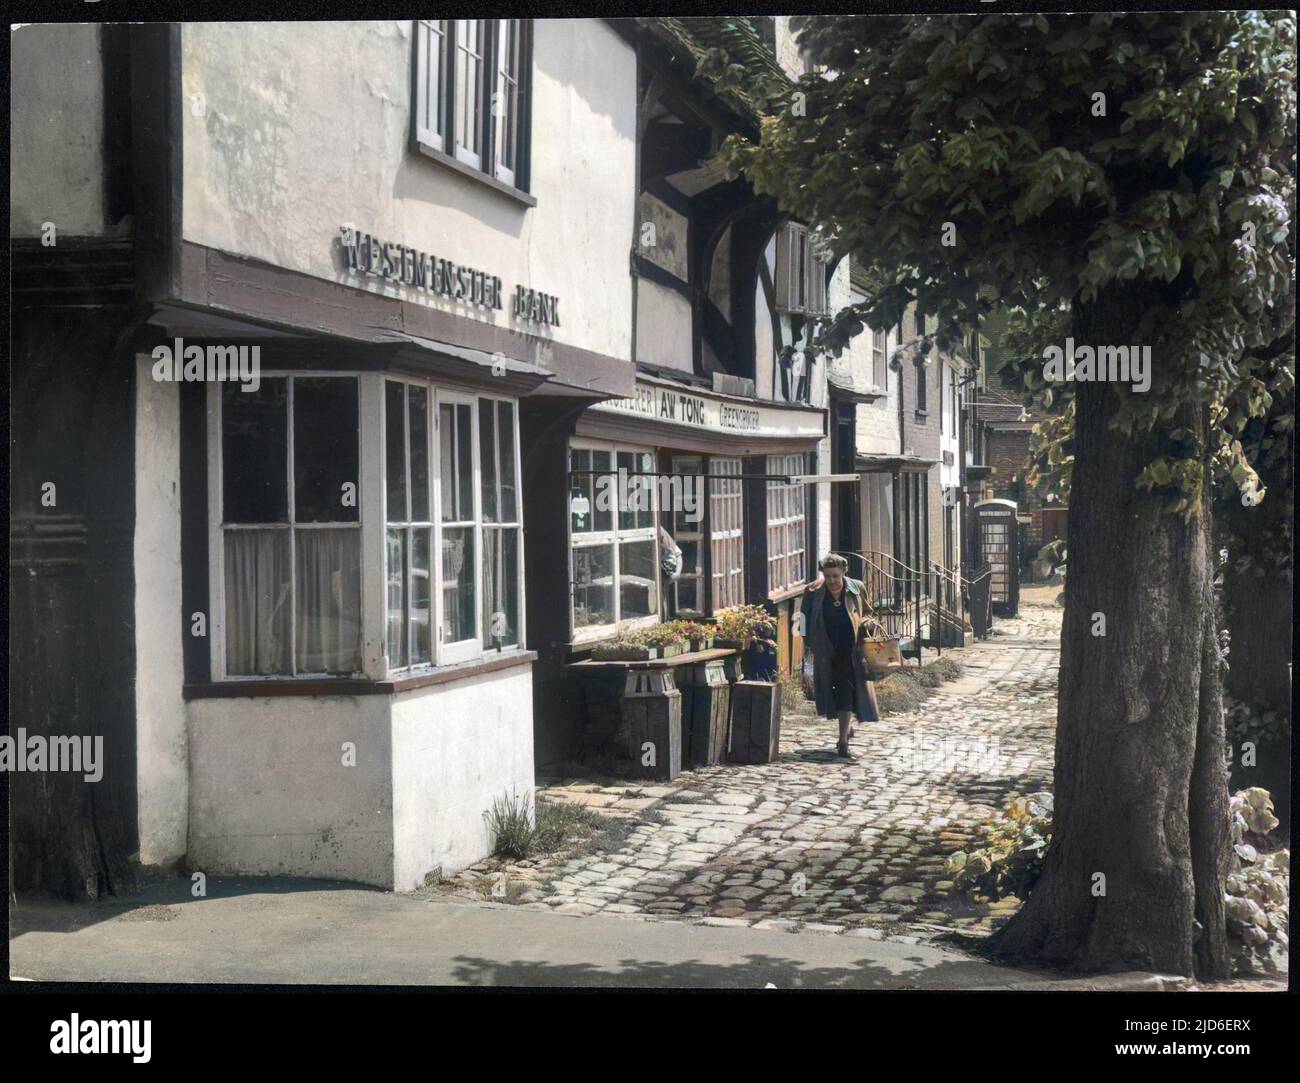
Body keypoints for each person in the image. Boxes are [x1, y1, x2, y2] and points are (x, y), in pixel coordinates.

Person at [799, 553, 881, 758]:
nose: (832, 581)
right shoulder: (813, 592)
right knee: (831, 691)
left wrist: (867, 622)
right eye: (827, 576)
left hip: (851, 650)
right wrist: (808, 643)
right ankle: (846, 727)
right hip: (826, 650)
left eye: (835, 576)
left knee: (846, 689)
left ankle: (842, 740)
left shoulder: (856, 588)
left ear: (844, 572)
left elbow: (869, 612)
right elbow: (802, 619)